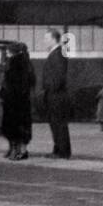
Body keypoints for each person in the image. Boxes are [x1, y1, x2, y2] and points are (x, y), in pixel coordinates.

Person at [0, 46, 35, 162]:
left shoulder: (13, 64)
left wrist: (3, 95)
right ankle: (22, 151)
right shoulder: (27, 64)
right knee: (22, 127)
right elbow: (31, 82)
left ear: (11, 52)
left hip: (12, 101)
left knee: (13, 127)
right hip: (23, 101)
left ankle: (16, 151)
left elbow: (8, 83)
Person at [42, 29, 72, 159]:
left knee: (58, 124)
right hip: (55, 94)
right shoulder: (56, 53)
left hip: (56, 95)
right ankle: (58, 149)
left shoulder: (57, 54)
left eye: (46, 38)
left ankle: (62, 152)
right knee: (56, 123)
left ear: (54, 39)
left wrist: (50, 89)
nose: (44, 41)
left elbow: (58, 76)